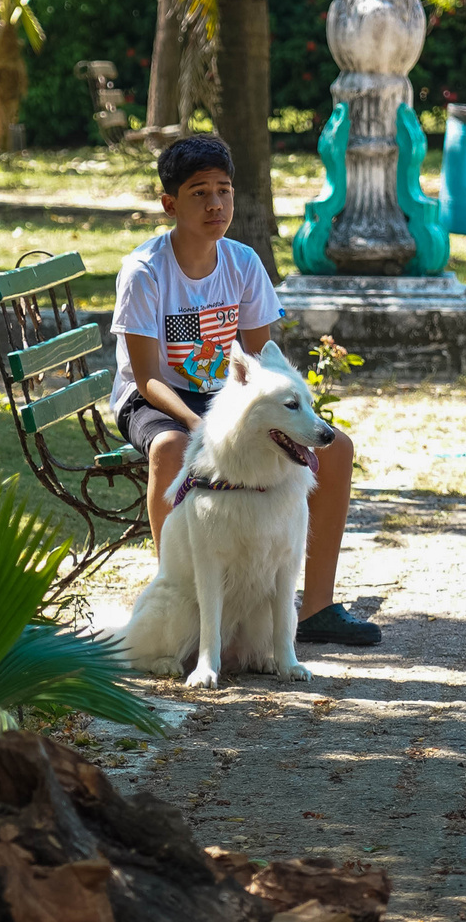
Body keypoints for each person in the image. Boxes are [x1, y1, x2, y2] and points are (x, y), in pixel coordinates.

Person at [110, 134, 380, 646]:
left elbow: (262, 363)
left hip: (226, 397)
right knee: (172, 448)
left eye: (224, 191)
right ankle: (178, 595)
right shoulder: (144, 271)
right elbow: (145, 377)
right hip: (157, 398)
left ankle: (316, 608)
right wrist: (197, 424)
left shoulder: (243, 263)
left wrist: (270, 416)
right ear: (170, 204)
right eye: (199, 193)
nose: (215, 204)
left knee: (337, 449)